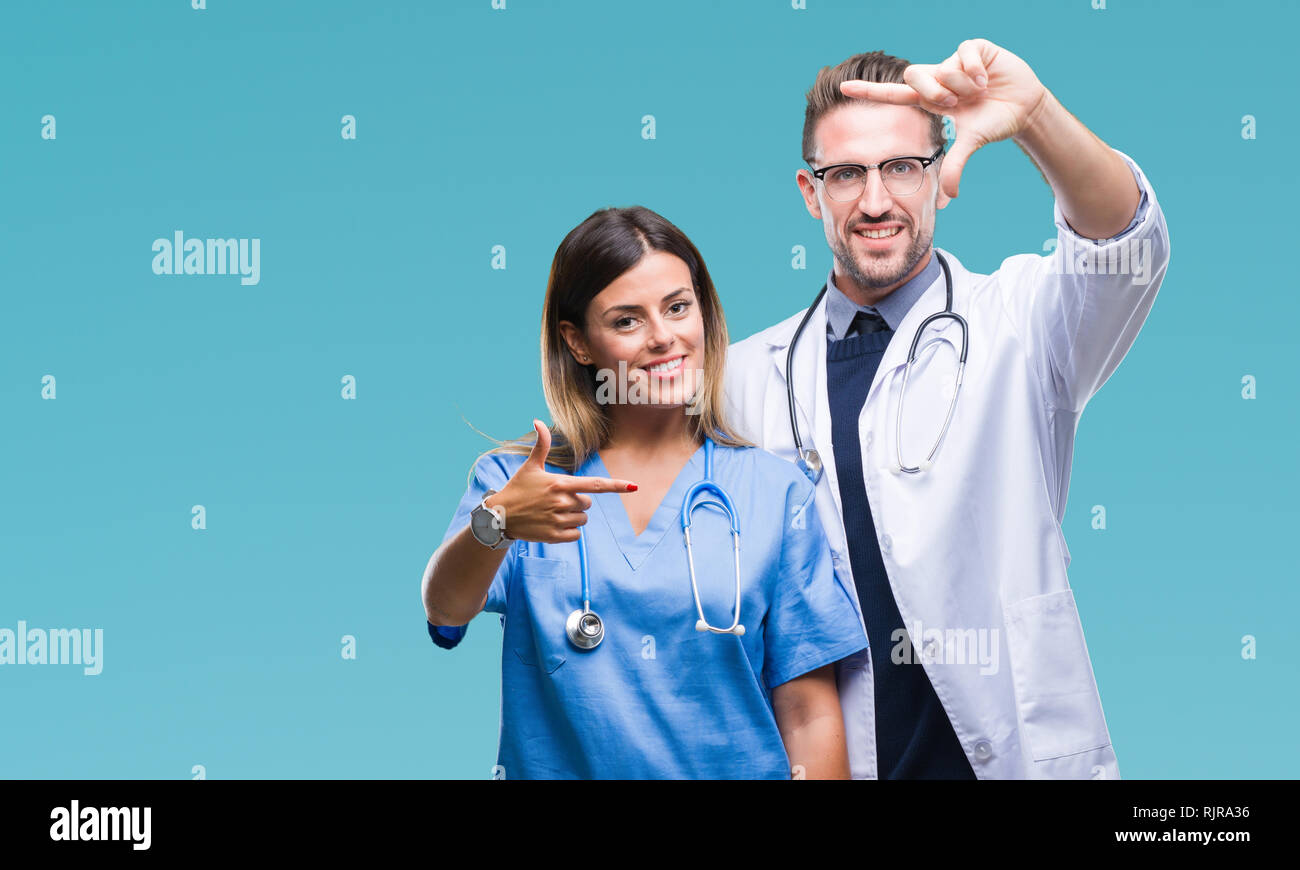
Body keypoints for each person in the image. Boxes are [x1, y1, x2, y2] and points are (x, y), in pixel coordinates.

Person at [724, 40, 1170, 779]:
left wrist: (1034, 116)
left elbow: (1124, 245)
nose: (875, 201)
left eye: (901, 167)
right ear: (810, 191)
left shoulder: (1020, 323)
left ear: (938, 177)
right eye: (846, 175)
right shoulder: (742, 379)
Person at [421, 205, 868, 779]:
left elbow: (807, 713)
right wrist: (497, 520)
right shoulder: (516, 485)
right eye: (627, 320)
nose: (664, 338)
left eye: (678, 307)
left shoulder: (775, 495)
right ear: (578, 342)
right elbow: (444, 610)